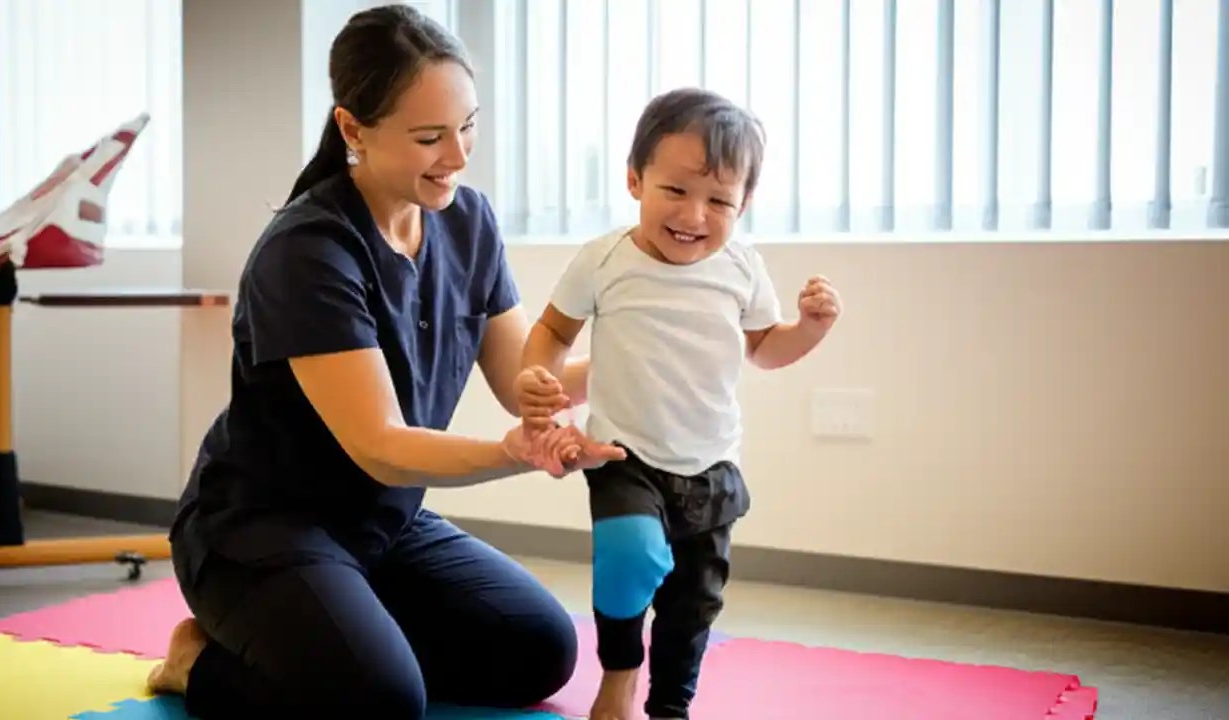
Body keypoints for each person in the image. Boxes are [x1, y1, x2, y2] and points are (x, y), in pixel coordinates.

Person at [144, 6, 624, 719]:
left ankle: (341, 633)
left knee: (541, 650)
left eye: (468, 127)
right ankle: (197, 662)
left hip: (382, 527)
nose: (459, 156)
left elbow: (520, 376)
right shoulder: (308, 251)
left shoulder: (469, 220)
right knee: (381, 704)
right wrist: (514, 452)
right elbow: (381, 448)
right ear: (353, 131)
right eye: (431, 137)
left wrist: (654, 355)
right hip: (261, 530)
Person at [520, 88, 843, 720]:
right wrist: (538, 378)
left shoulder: (742, 268)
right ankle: (618, 679)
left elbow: (765, 351)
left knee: (692, 605)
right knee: (629, 555)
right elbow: (554, 330)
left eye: (719, 200)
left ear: (744, 203)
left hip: (711, 465)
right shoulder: (605, 259)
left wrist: (810, 329)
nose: (694, 214)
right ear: (636, 180)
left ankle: (670, 706)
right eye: (675, 191)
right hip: (622, 452)